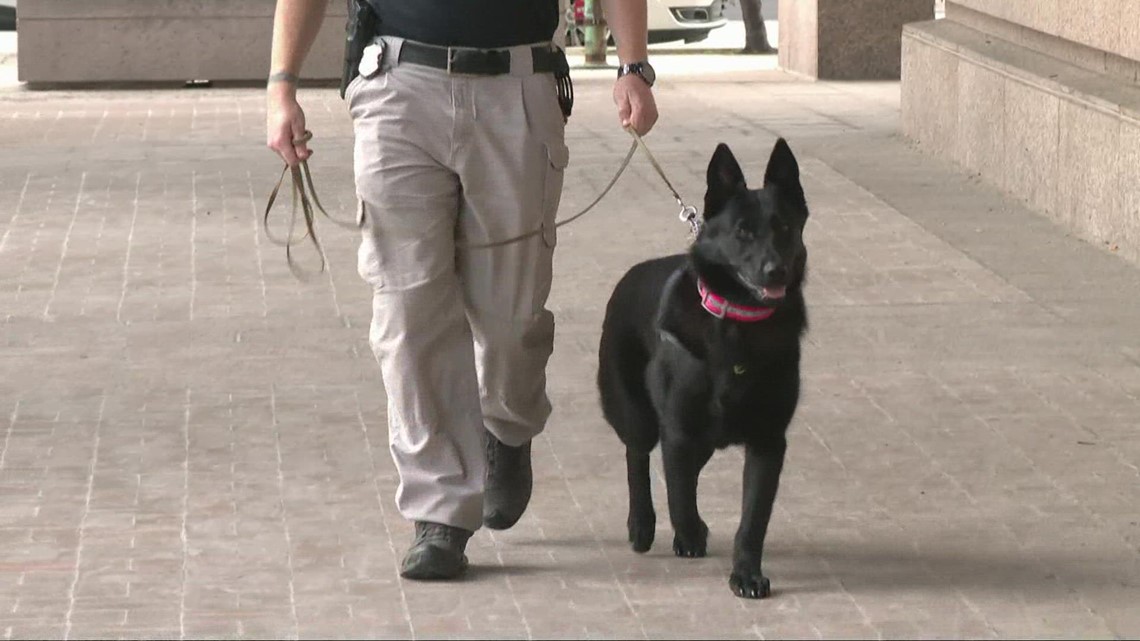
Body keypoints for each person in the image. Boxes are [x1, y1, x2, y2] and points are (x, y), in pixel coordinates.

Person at [266, 0, 658, 580]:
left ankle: (507, 423)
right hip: (398, 86)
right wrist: (281, 86)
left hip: (518, 88)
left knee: (511, 319)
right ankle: (439, 510)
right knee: (408, 309)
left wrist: (633, 66)